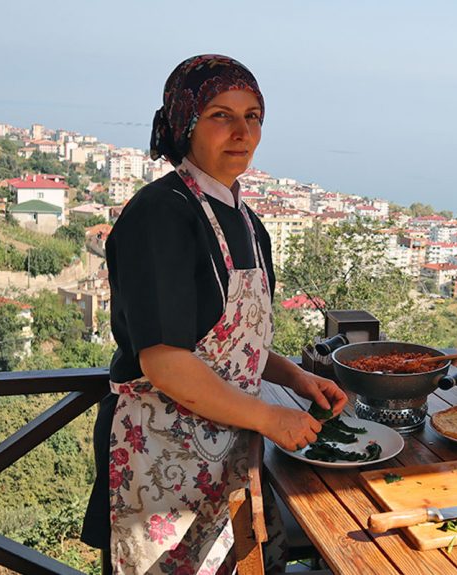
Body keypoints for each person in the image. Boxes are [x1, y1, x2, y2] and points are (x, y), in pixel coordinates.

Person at [81, 54, 347, 574]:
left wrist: (296, 378)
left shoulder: (246, 221)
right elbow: (165, 361)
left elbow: (230, 341)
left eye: (253, 116)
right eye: (220, 115)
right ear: (185, 124)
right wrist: (271, 416)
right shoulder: (161, 215)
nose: (241, 131)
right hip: (159, 452)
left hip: (226, 447)